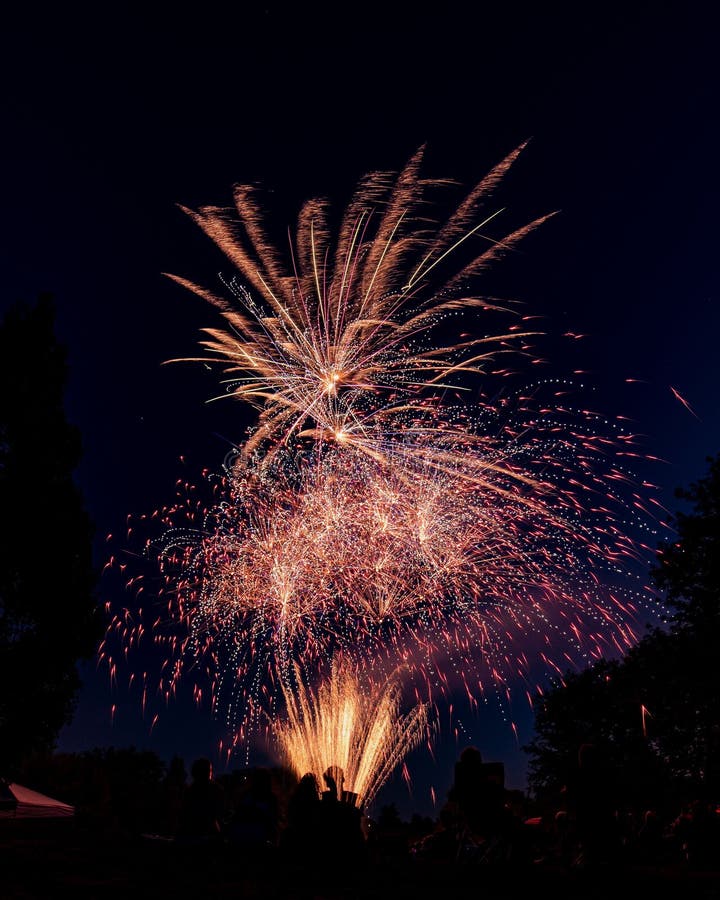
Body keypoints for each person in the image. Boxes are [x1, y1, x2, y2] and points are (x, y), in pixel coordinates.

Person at [175, 756, 226, 846]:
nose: (210, 772)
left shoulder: (189, 790)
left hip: (189, 834)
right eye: (209, 770)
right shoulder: (215, 789)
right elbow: (219, 813)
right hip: (208, 835)